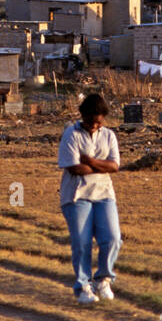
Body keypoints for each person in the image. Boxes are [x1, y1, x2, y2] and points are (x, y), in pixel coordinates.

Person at [57, 93, 122, 304]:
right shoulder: (71, 134)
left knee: (112, 238)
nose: (94, 126)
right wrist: (100, 166)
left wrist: (91, 161)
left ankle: (103, 278)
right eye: (90, 121)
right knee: (82, 243)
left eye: (98, 122)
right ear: (82, 116)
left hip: (104, 195)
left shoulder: (109, 136)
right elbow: (75, 168)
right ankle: (83, 286)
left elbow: (114, 166)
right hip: (77, 197)